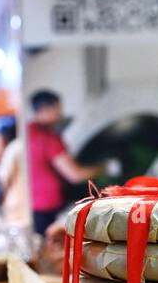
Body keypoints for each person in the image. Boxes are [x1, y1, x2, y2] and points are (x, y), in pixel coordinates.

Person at [26, 90, 106, 236]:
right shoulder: (49, 138)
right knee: (52, 243)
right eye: (58, 108)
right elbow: (75, 175)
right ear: (47, 108)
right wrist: (103, 168)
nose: (60, 114)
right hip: (48, 206)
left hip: (31, 204)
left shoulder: (26, 133)